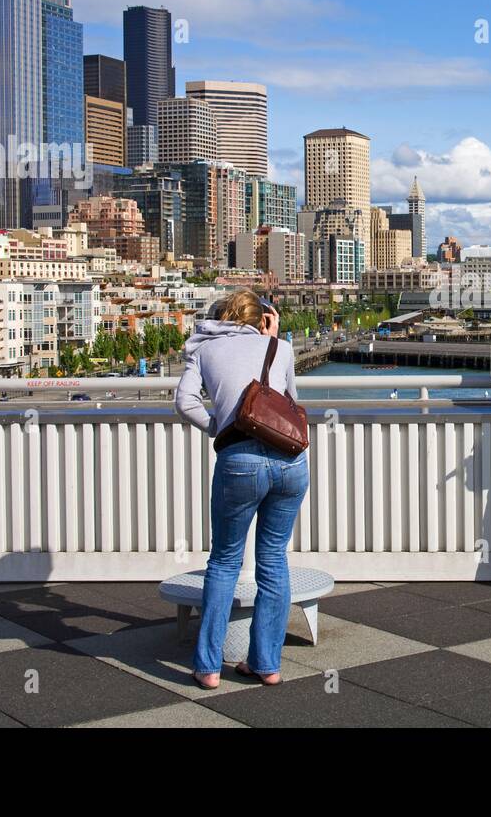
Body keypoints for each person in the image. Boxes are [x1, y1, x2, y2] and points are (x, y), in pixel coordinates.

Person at [174, 288, 308, 689]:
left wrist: (219, 425)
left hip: (240, 462)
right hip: (291, 463)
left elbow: (184, 402)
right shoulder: (279, 348)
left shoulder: (204, 350)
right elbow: (290, 405)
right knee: (273, 559)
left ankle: (209, 667)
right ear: (260, 319)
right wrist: (274, 337)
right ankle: (266, 664)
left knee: (225, 562)